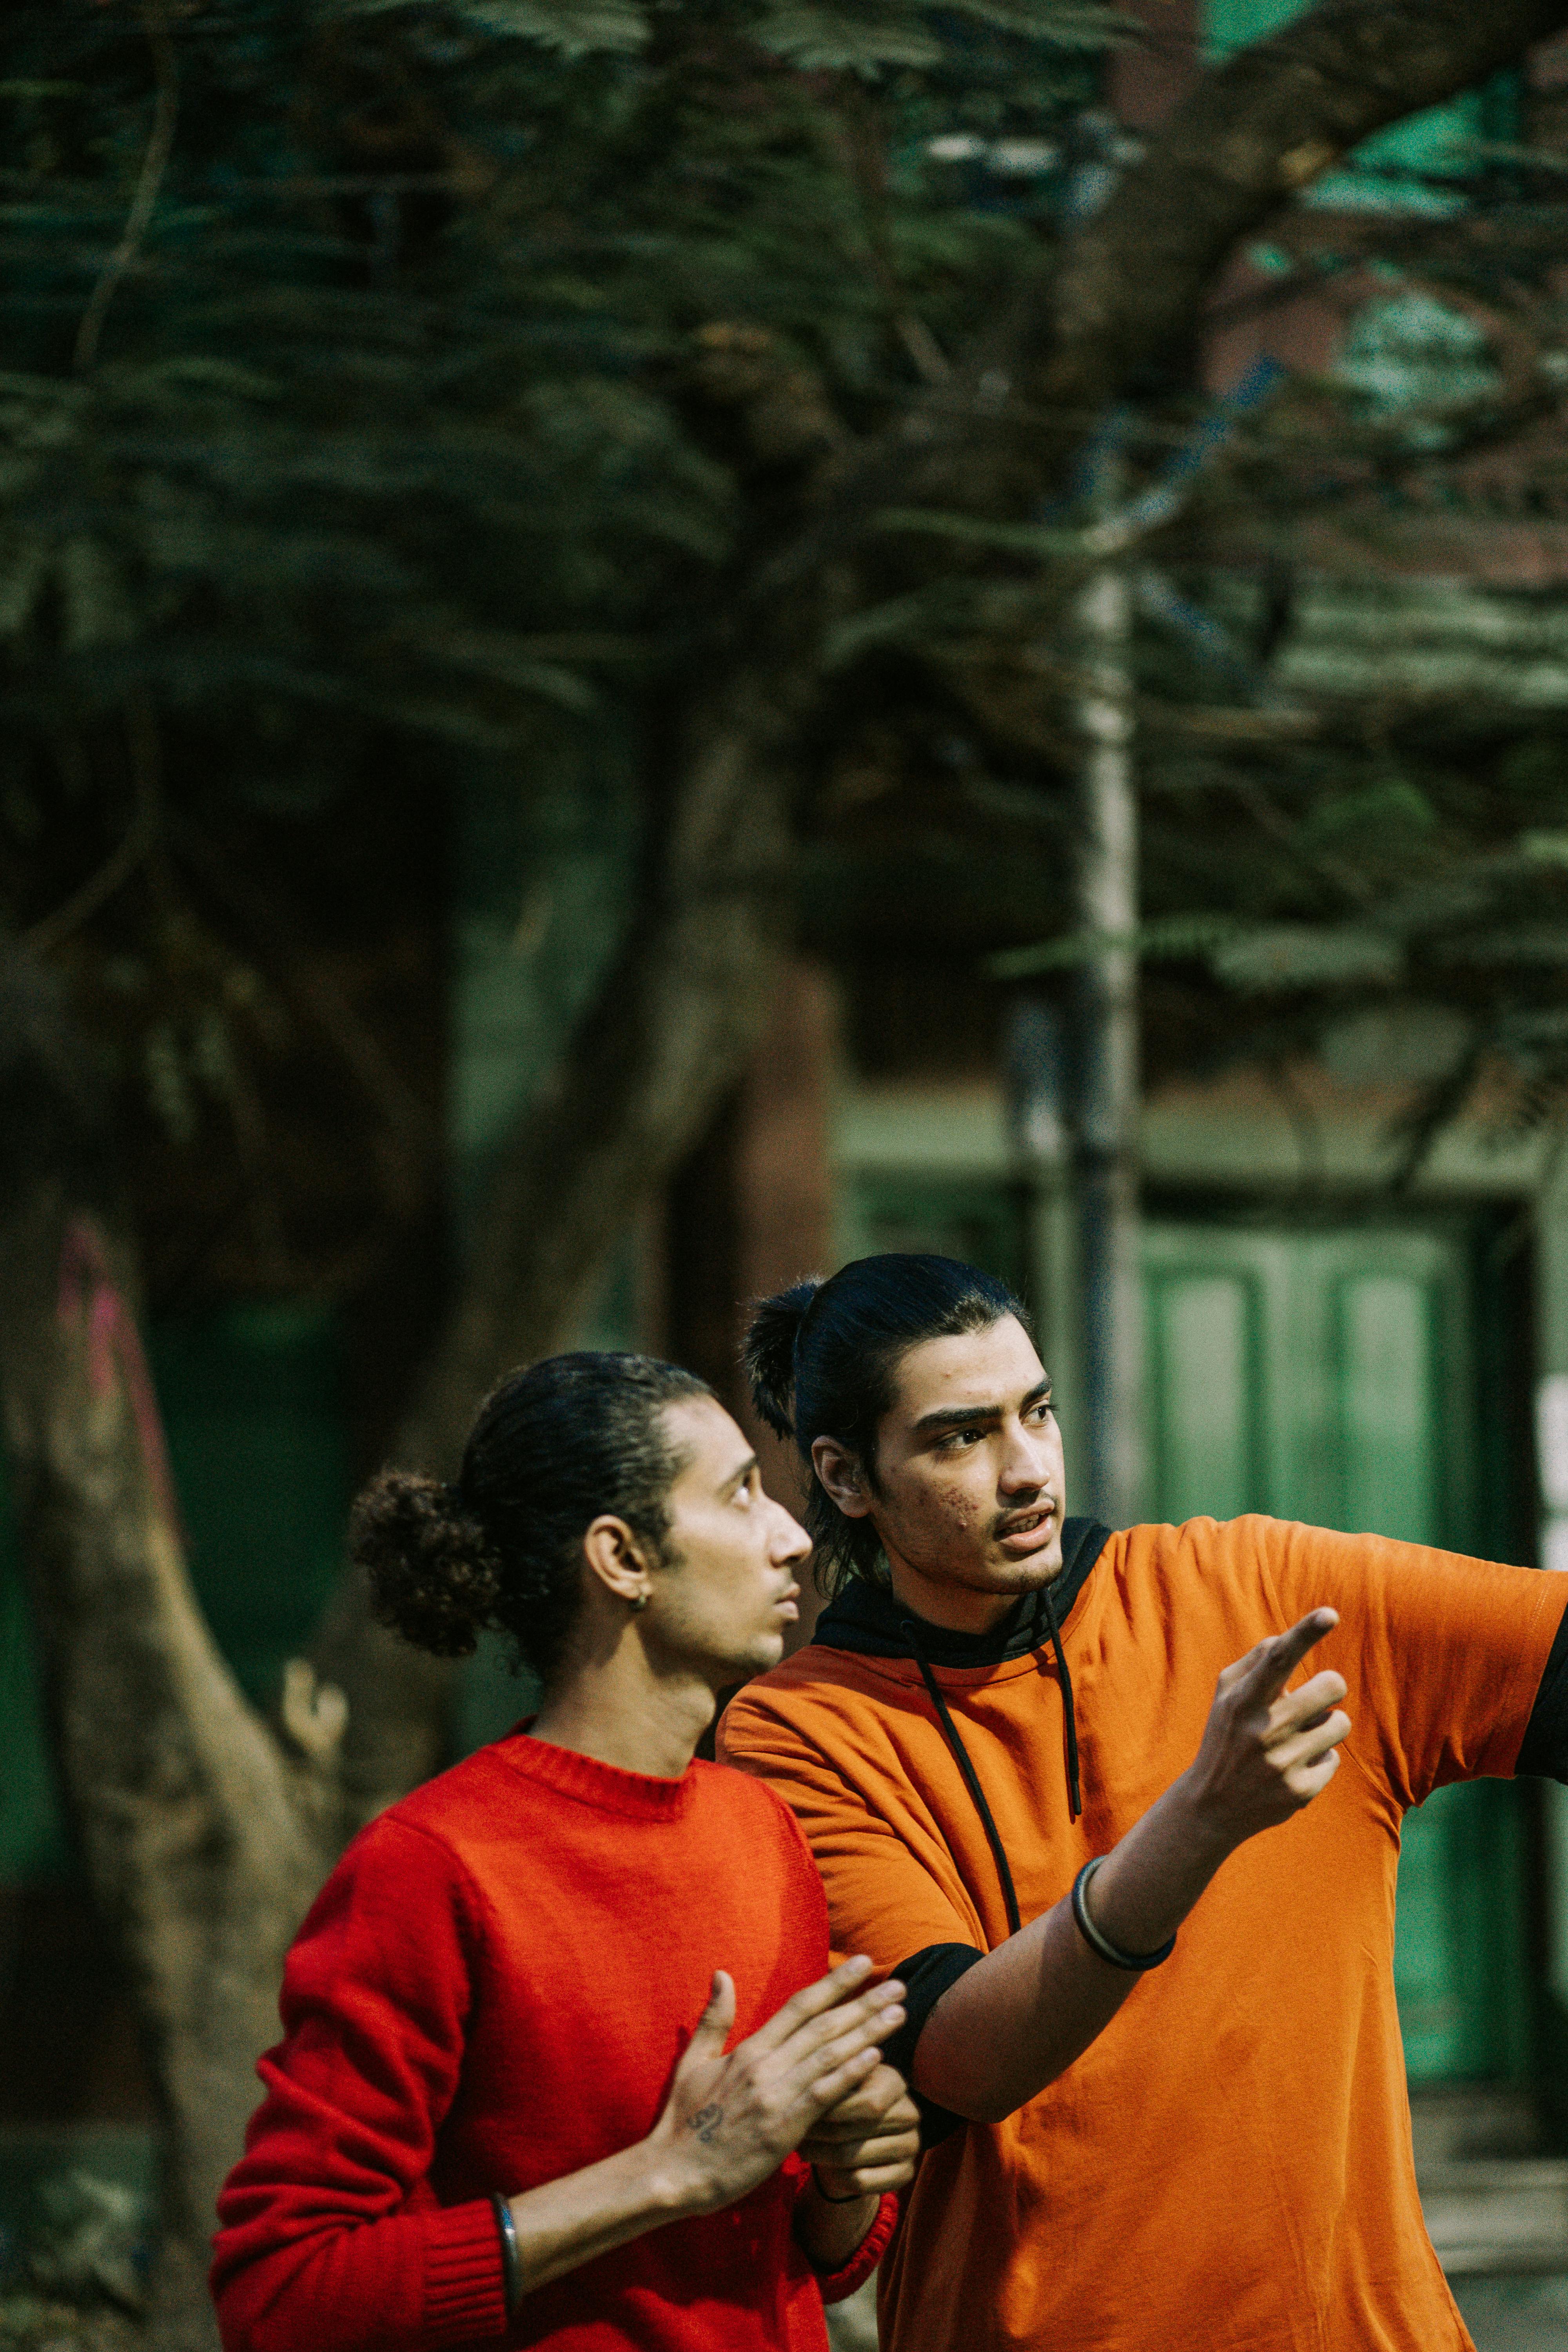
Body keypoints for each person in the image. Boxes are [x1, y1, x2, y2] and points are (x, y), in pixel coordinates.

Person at [212, 1347, 1347, 2352]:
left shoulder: (757, 1825)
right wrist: (663, 2174)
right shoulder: (433, 1866)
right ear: (622, 1558)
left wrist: (849, 2174)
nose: (794, 1535)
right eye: (743, 1493)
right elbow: (281, 2296)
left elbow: (812, 2251)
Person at [717, 1254, 1568, 2352]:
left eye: (1039, 1413)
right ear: (844, 1477)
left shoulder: (1259, 1589)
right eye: (961, 1438)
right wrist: (1201, 1820)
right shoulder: (799, 1730)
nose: (1027, 1469)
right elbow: (959, 2059)